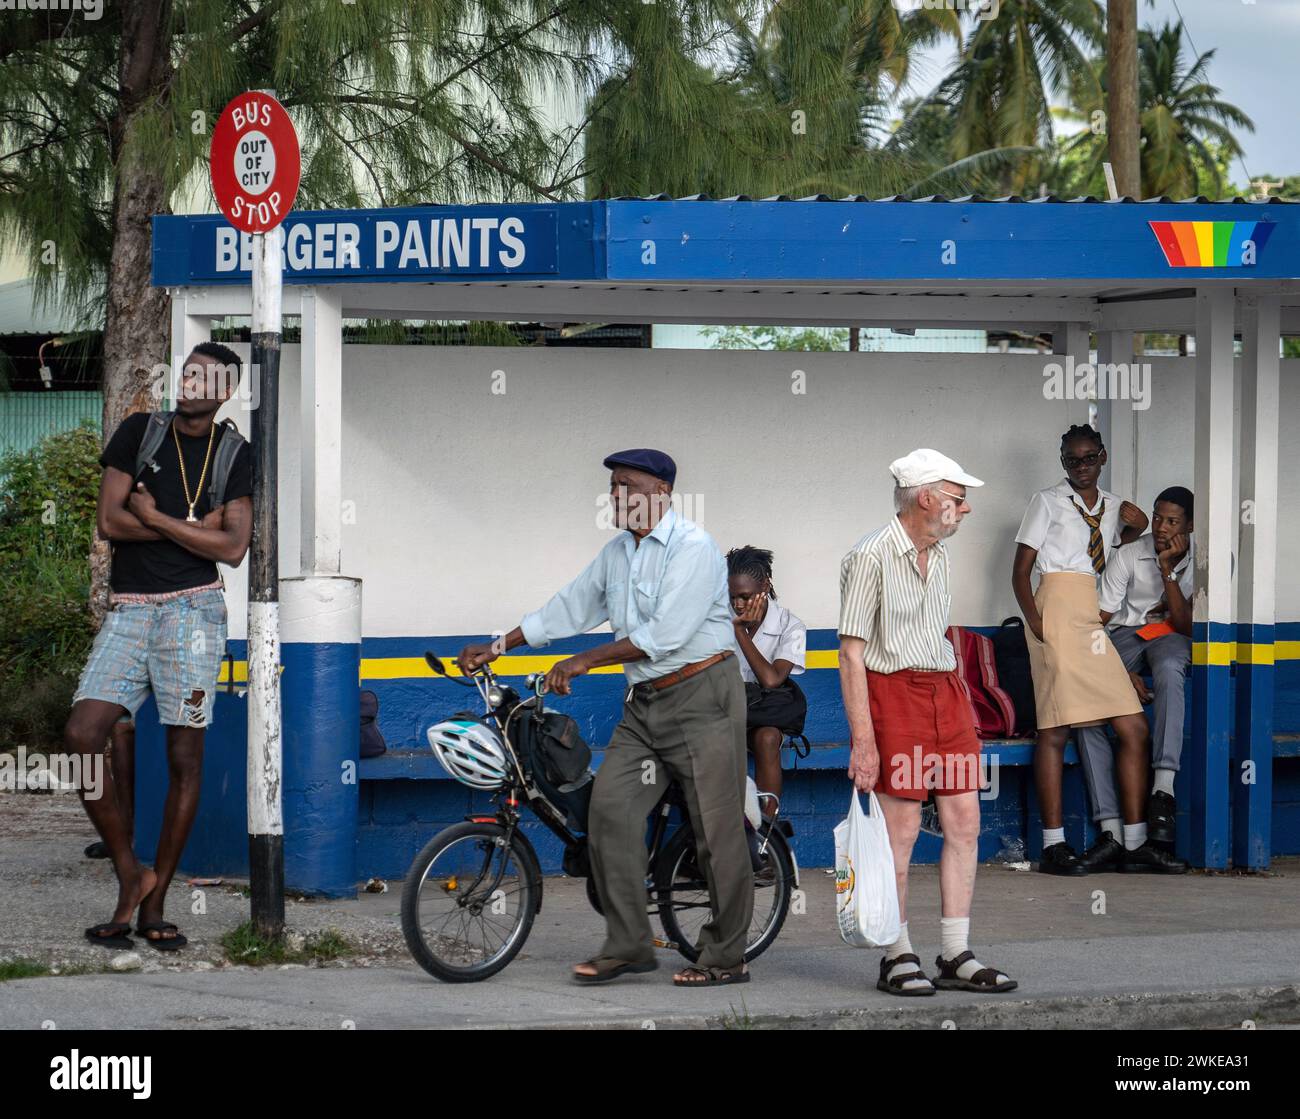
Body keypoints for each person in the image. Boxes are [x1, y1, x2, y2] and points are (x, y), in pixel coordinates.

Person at [456, 449, 754, 987]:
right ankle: (629, 945)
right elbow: (568, 607)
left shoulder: (694, 548)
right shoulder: (618, 553)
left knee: (715, 828)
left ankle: (726, 956)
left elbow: (666, 635)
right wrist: (500, 644)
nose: (617, 496)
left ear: (662, 493)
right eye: (613, 487)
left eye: (628, 486)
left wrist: (585, 660)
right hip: (645, 705)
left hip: (703, 697)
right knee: (608, 813)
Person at [64, 342, 252, 950]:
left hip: (195, 616)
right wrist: (196, 529)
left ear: (225, 392)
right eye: (188, 371)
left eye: (207, 378)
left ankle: (156, 904)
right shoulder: (139, 432)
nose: (192, 382)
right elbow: (109, 522)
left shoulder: (233, 454)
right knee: (82, 735)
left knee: (184, 760)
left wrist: (158, 518)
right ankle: (130, 874)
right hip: (131, 612)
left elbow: (232, 550)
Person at [840, 448, 1016, 997]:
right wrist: (863, 742)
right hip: (893, 693)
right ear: (926, 499)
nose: (964, 510)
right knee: (904, 830)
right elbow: (851, 655)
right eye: (958, 500)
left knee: (965, 823)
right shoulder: (869, 556)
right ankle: (896, 955)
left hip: (945, 691)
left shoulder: (938, 555)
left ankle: (954, 953)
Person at [1013, 424, 1182, 875]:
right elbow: (1020, 571)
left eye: (1089, 458)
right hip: (1054, 609)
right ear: (1063, 461)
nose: (1081, 467)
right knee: (1056, 728)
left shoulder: (1113, 507)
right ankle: (1054, 845)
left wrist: (1138, 528)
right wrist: (1035, 622)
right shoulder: (1046, 502)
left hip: (1093, 615)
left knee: (1132, 727)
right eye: (1072, 459)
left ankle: (1134, 843)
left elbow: (1112, 558)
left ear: (1102, 457)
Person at [1075, 488, 1194, 869]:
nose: (1161, 527)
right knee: (1087, 701)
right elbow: (1099, 622)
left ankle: (1163, 789)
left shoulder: (1206, 558)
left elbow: (1185, 624)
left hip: (1170, 637)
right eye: (1158, 517)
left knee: (1170, 668)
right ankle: (1111, 831)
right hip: (1125, 637)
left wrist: (1168, 571)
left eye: (1173, 521)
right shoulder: (1128, 554)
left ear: (1190, 525)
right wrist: (1119, 673)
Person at [727, 545, 807, 820]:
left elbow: (771, 680)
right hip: (726, 713)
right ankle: (725, 823)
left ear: (765, 586)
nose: (737, 604)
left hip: (762, 715)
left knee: (769, 738)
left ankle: (766, 828)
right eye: (733, 596)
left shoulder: (790, 626)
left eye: (745, 596)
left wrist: (740, 633)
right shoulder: (717, 620)